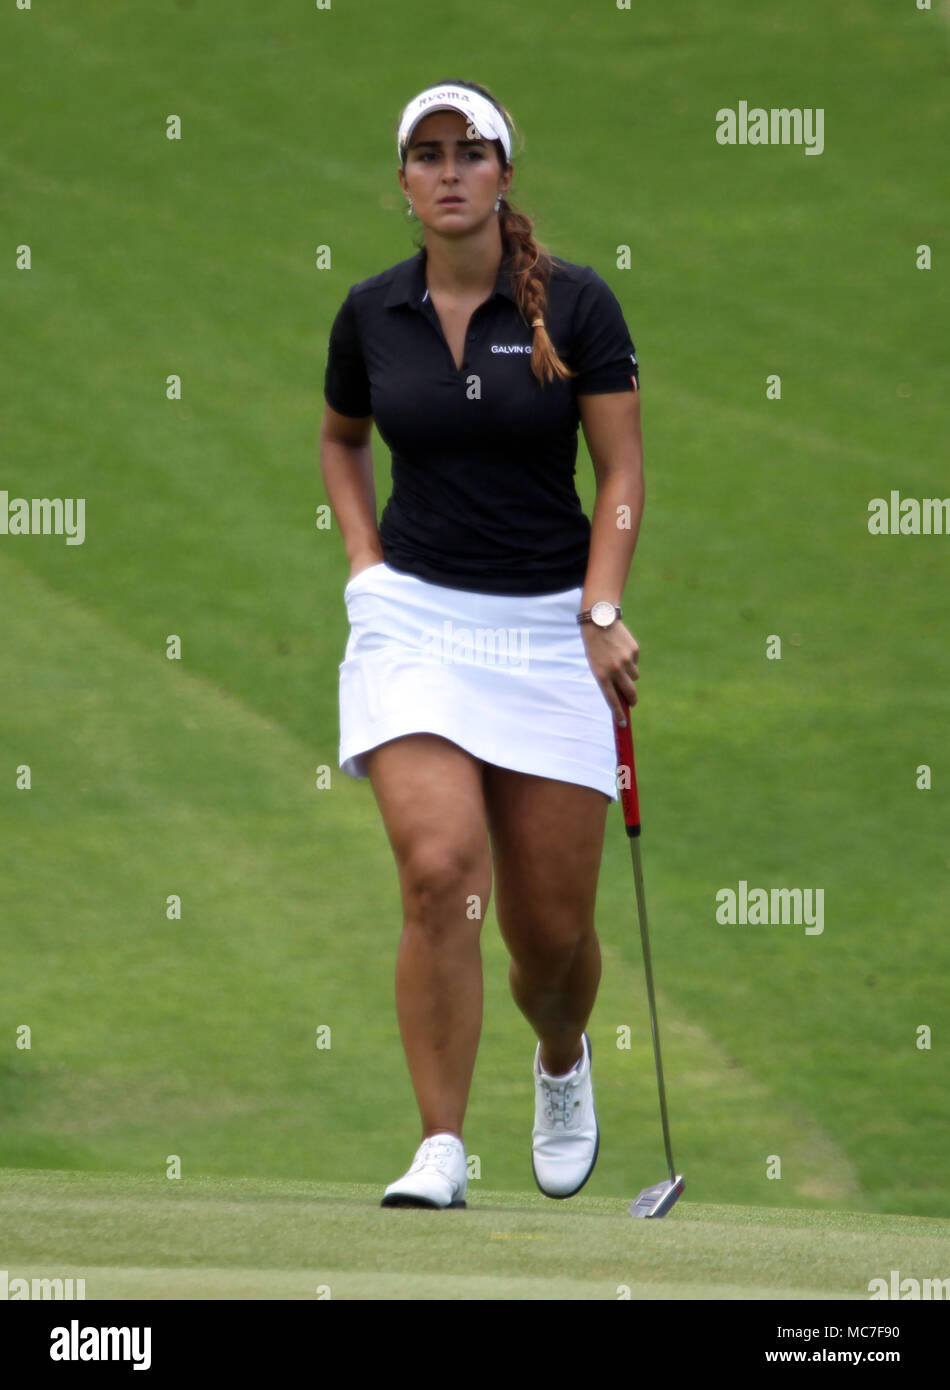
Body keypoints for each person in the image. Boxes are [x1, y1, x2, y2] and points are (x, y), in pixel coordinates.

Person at [319, 79, 644, 1209]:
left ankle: (559, 1057)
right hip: (415, 625)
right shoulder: (370, 311)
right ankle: (440, 1146)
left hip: (549, 629)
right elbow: (339, 439)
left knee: (548, 941)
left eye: (470, 151)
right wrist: (364, 568)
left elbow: (621, 477)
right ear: (401, 179)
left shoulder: (579, 305)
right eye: (426, 152)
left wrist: (601, 611)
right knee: (439, 870)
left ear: (504, 173)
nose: (448, 170)